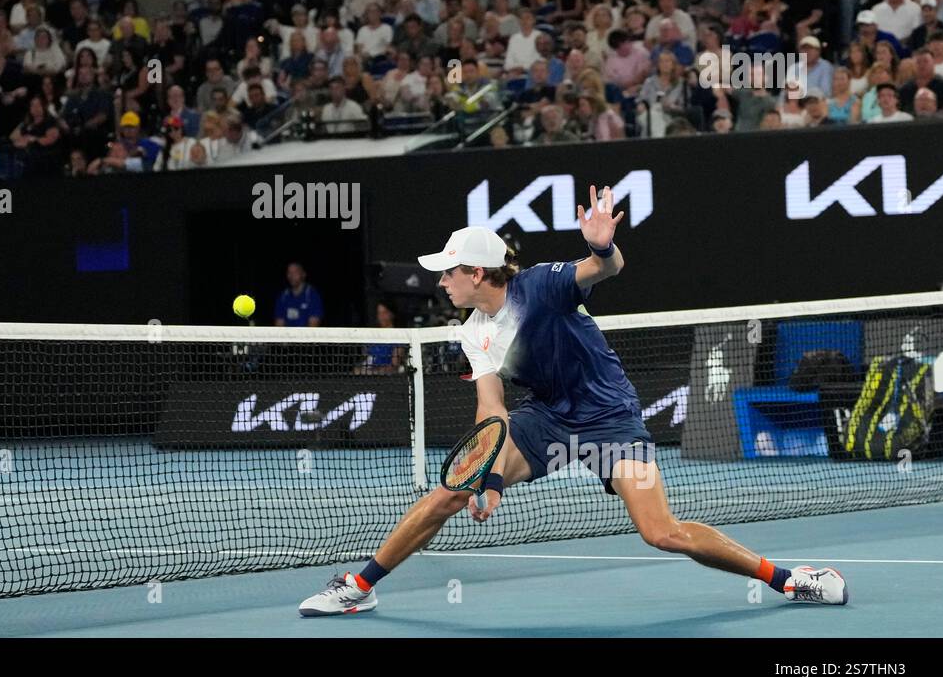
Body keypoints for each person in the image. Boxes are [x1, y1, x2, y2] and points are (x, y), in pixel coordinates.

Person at [299, 207, 848, 616]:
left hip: (609, 417)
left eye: (449, 272)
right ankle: (359, 586)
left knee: (661, 533)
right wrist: (487, 479)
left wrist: (603, 248)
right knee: (449, 492)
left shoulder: (540, 285)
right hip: (546, 419)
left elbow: (601, 271)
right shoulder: (473, 332)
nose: (440, 282)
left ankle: (788, 579)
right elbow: (491, 408)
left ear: (477, 273)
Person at [273, 262, 323, 327]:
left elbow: (313, 326)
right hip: (287, 336)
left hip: (306, 336)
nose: (291, 276)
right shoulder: (283, 296)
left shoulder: (312, 295)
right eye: (289, 272)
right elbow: (279, 325)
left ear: (303, 274)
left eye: (295, 272)